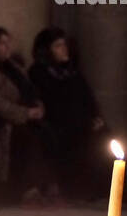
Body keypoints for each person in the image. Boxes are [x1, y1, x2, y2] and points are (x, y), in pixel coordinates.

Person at [0, 26, 57, 204]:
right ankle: (26, 188)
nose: (7, 47)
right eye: (2, 43)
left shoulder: (12, 67)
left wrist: (37, 105)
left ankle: (46, 184)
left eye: (8, 43)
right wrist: (26, 113)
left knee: (48, 131)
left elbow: (29, 89)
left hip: (21, 114)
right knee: (25, 137)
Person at [29, 27, 107, 199]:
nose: (64, 49)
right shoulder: (39, 73)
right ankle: (76, 188)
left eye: (64, 45)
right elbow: (52, 102)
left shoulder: (71, 71)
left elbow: (87, 97)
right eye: (58, 46)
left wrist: (95, 116)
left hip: (81, 121)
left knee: (104, 136)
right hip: (58, 122)